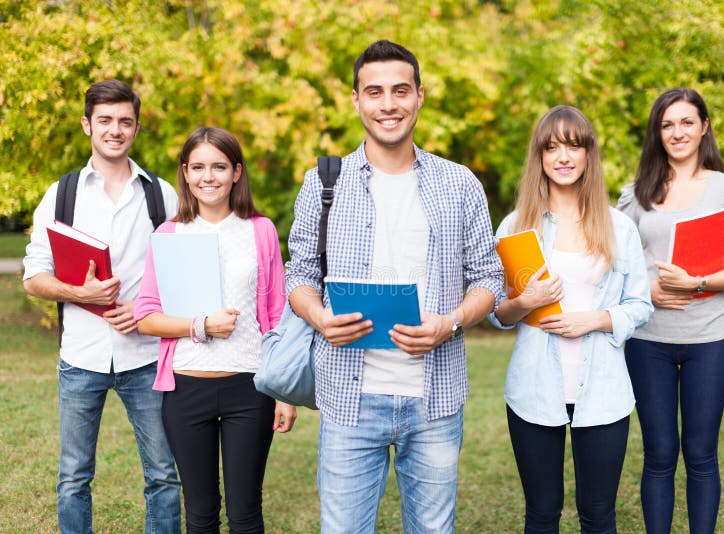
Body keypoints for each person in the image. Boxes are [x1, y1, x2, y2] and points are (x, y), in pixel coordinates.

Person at [284, 40, 504, 533]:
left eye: (400, 91)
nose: (389, 104)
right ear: (357, 100)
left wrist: (450, 322)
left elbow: (490, 277)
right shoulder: (322, 183)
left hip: (435, 398)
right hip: (348, 396)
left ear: (420, 96)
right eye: (375, 92)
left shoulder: (459, 183)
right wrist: (320, 318)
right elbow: (298, 275)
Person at [22, 79, 182, 533]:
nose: (116, 129)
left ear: (135, 127)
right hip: (81, 356)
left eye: (125, 121)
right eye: (106, 120)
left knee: (163, 476)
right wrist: (80, 295)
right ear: (87, 125)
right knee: (73, 477)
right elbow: (34, 276)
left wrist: (146, 310)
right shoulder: (62, 195)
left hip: (147, 358)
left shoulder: (162, 195)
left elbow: (181, 277)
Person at [489, 105, 652, 533]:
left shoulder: (619, 228)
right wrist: (527, 300)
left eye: (573, 146)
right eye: (552, 146)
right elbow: (498, 313)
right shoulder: (514, 226)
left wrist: (594, 319)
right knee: (542, 513)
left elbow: (641, 304)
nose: (563, 157)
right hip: (534, 389)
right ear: (540, 157)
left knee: (598, 514)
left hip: (603, 391)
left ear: (588, 155)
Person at [134, 126, 296, 533]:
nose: (209, 176)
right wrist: (200, 326)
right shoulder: (168, 235)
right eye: (199, 167)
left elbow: (277, 313)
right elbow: (146, 315)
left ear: (236, 172)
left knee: (245, 514)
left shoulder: (260, 231)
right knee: (200, 515)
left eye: (219, 166)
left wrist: (284, 391)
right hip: (186, 390)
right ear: (185, 174)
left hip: (251, 389)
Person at [617, 88, 724, 533]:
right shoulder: (635, 194)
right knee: (659, 454)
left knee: (700, 455)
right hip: (647, 343)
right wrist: (650, 289)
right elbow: (618, 266)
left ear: (704, 127)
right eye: (667, 124)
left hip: (709, 341)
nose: (677, 132)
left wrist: (697, 282)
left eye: (686, 122)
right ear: (657, 133)